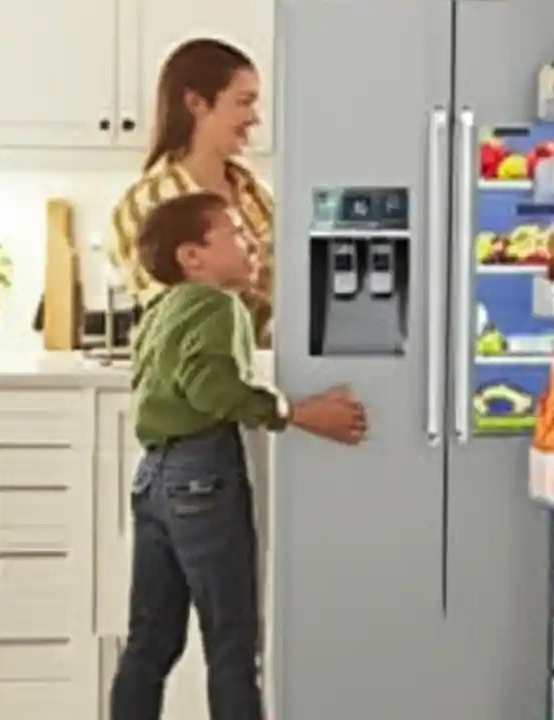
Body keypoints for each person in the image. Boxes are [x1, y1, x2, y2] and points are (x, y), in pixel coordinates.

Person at [109, 193, 368, 719]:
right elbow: (213, 389)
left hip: (154, 477)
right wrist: (295, 411)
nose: (252, 243)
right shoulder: (217, 305)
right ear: (192, 256)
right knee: (231, 646)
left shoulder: (161, 309)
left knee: (150, 642)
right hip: (201, 478)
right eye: (234, 234)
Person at [108, 38, 275, 347]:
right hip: (202, 380)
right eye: (243, 102)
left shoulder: (255, 195)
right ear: (196, 103)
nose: (255, 117)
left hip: (262, 372)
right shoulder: (144, 205)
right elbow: (176, 321)